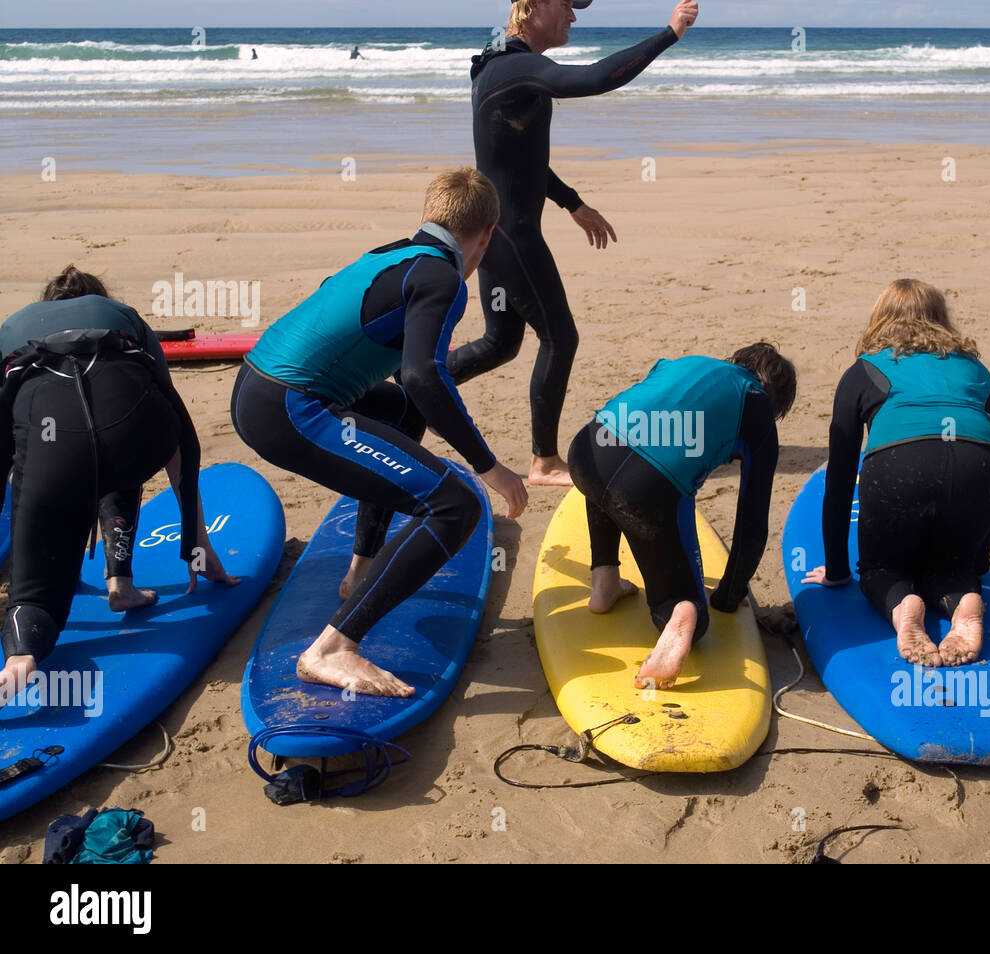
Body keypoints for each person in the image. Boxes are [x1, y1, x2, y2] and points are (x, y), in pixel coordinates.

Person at [231, 168, 528, 698]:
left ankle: (359, 568)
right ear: (486, 235)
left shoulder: (387, 255)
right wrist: (490, 467)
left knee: (399, 412)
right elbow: (423, 374)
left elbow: (396, 372)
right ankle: (331, 649)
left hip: (256, 385)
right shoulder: (442, 279)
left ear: (427, 217)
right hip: (291, 408)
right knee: (457, 503)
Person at [451, 0, 699, 487]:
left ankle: (408, 387)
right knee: (559, 338)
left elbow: (517, 158)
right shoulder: (515, 67)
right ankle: (543, 461)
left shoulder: (501, 64)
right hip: (511, 234)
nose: (574, 16)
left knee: (499, 344)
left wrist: (571, 202)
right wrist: (669, 34)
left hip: (496, 233)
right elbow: (593, 78)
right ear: (536, 5)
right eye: (566, 5)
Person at [0, 266, 237, 707]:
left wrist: (38, 506)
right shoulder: (122, 317)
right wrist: (197, 548)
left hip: (52, 445)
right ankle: (121, 585)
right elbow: (180, 436)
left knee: (34, 592)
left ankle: (20, 660)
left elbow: (5, 451)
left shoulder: (13, 330)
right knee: (116, 452)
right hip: (136, 439)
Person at [802, 279, 990, 668]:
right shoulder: (977, 370)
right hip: (979, 470)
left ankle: (904, 606)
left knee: (882, 568)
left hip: (901, 469)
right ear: (941, 319)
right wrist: (976, 563)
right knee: (951, 566)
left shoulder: (863, 370)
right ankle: (964, 600)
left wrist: (838, 569)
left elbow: (841, 477)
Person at [568, 342, 796, 689]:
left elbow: (634, 424)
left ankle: (604, 582)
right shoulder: (757, 407)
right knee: (693, 616)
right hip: (646, 488)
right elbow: (752, 521)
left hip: (587, 450)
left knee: (608, 480)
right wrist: (728, 597)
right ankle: (682, 611)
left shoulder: (684, 361)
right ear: (775, 399)